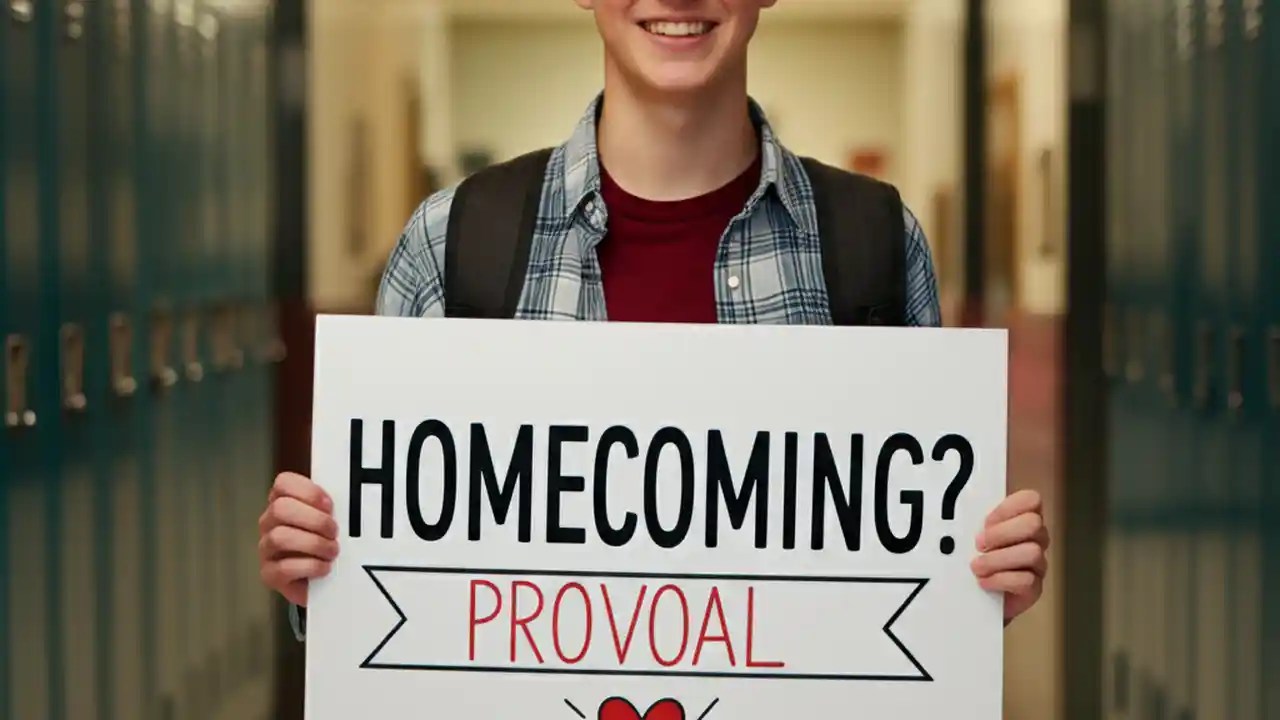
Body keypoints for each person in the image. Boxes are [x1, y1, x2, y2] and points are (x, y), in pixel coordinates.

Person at [258, 0, 1050, 638]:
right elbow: (388, 579)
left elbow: (908, 587)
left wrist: (978, 595)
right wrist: (318, 575)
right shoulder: (449, 241)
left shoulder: (874, 242)